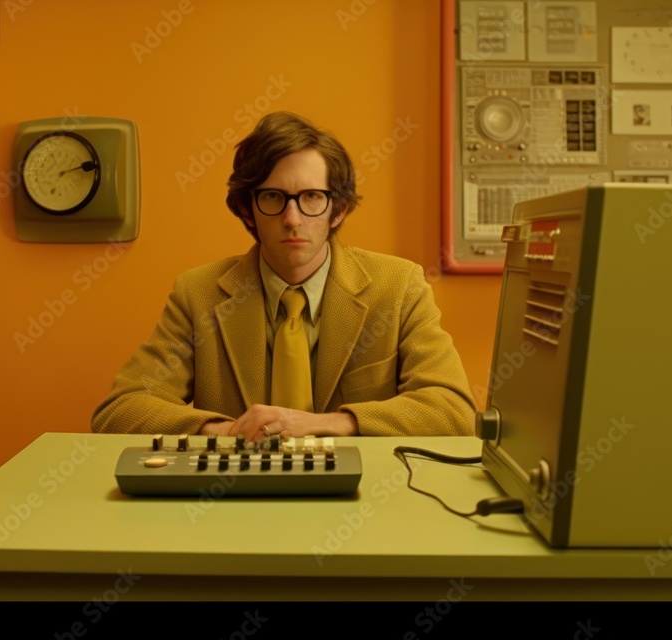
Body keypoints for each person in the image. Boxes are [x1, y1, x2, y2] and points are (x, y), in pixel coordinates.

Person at [91, 111, 476, 440]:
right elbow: (119, 411)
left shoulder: (399, 286)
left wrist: (330, 424)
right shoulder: (199, 293)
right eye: (273, 197)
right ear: (247, 210)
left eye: (311, 197)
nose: (293, 219)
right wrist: (227, 432)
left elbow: (453, 412)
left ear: (337, 210)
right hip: (236, 500)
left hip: (362, 501)